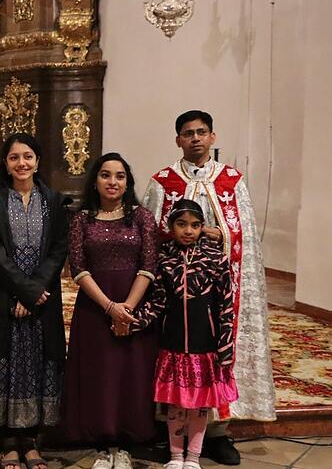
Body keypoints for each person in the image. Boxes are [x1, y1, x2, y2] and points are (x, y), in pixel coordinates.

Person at [142, 110, 275, 466]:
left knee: (214, 358)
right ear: (178, 140)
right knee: (176, 359)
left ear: (213, 137)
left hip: (219, 290)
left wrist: (222, 234)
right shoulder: (163, 183)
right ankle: (169, 433)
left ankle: (218, 433)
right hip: (175, 296)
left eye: (202, 132)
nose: (196, 138)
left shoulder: (233, 180)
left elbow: (246, 235)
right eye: (188, 133)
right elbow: (150, 237)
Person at [0, 135, 70, 469]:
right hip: (6, 296)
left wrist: (36, 292)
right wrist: (23, 292)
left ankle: (31, 442)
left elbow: (59, 248)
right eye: (14, 158)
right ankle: (7, 445)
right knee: (5, 365)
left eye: (28, 156)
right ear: (5, 163)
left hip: (42, 299)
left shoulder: (53, 200)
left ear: (38, 160)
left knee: (38, 363)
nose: (21, 164)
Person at [62, 153, 160, 469]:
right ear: (95, 180)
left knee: (130, 374)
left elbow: (149, 264)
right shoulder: (81, 219)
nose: (112, 182)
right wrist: (109, 308)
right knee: (99, 373)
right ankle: (103, 444)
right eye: (106, 175)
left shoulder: (142, 217)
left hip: (134, 306)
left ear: (128, 182)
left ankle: (127, 442)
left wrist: (127, 309)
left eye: (119, 176)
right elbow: (78, 267)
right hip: (95, 307)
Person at [130, 199, 238, 469]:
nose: (188, 231)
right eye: (181, 224)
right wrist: (133, 321)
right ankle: (176, 456)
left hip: (206, 348)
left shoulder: (216, 258)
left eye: (194, 225)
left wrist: (225, 346)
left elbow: (226, 305)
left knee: (200, 406)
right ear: (170, 226)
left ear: (202, 227)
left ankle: (193, 457)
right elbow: (157, 301)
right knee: (176, 405)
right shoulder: (164, 258)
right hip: (173, 346)